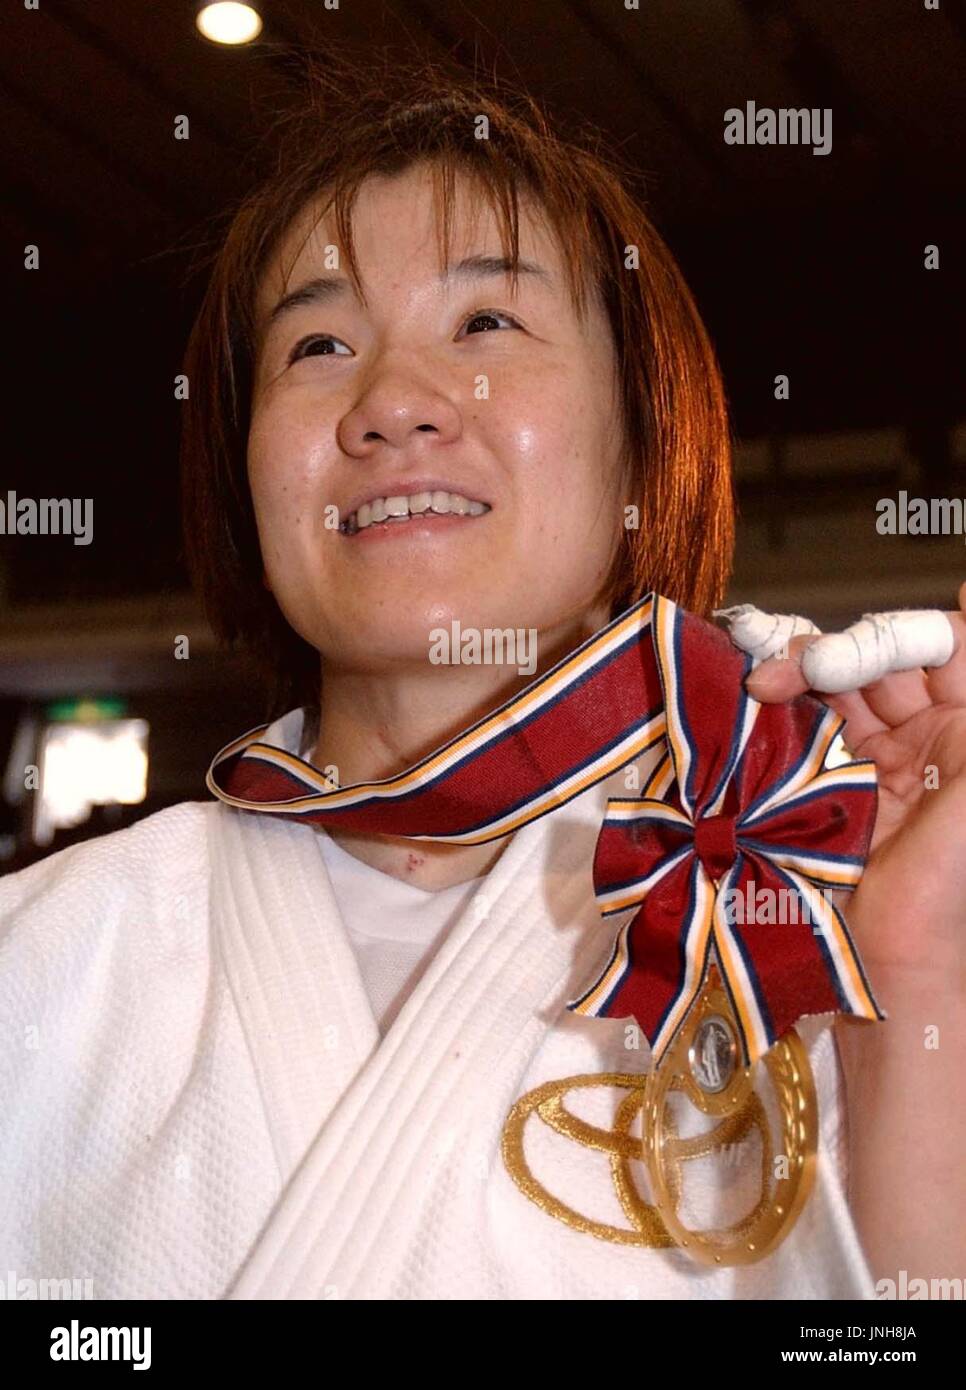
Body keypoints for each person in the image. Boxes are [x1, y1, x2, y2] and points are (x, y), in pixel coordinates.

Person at [1, 52, 963, 1301]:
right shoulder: (43, 960)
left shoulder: (818, 943)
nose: (393, 403)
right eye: (319, 343)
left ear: (642, 432)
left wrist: (926, 986)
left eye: (487, 323)